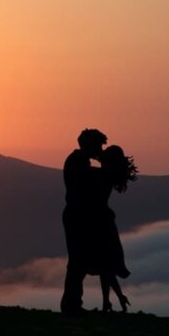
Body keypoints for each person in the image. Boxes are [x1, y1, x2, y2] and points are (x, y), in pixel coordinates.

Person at [60, 128, 107, 314]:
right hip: (77, 215)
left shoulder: (78, 161)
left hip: (76, 214)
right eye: (98, 146)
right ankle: (71, 305)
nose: (100, 150)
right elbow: (88, 182)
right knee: (77, 260)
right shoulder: (78, 162)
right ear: (90, 145)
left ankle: (73, 303)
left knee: (78, 260)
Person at [93, 145, 137, 312]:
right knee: (107, 264)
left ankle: (109, 301)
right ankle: (113, 300)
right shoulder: (110, 175)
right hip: (105, 221)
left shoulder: (102, 175)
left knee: (104, 264)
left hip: (99, 221)